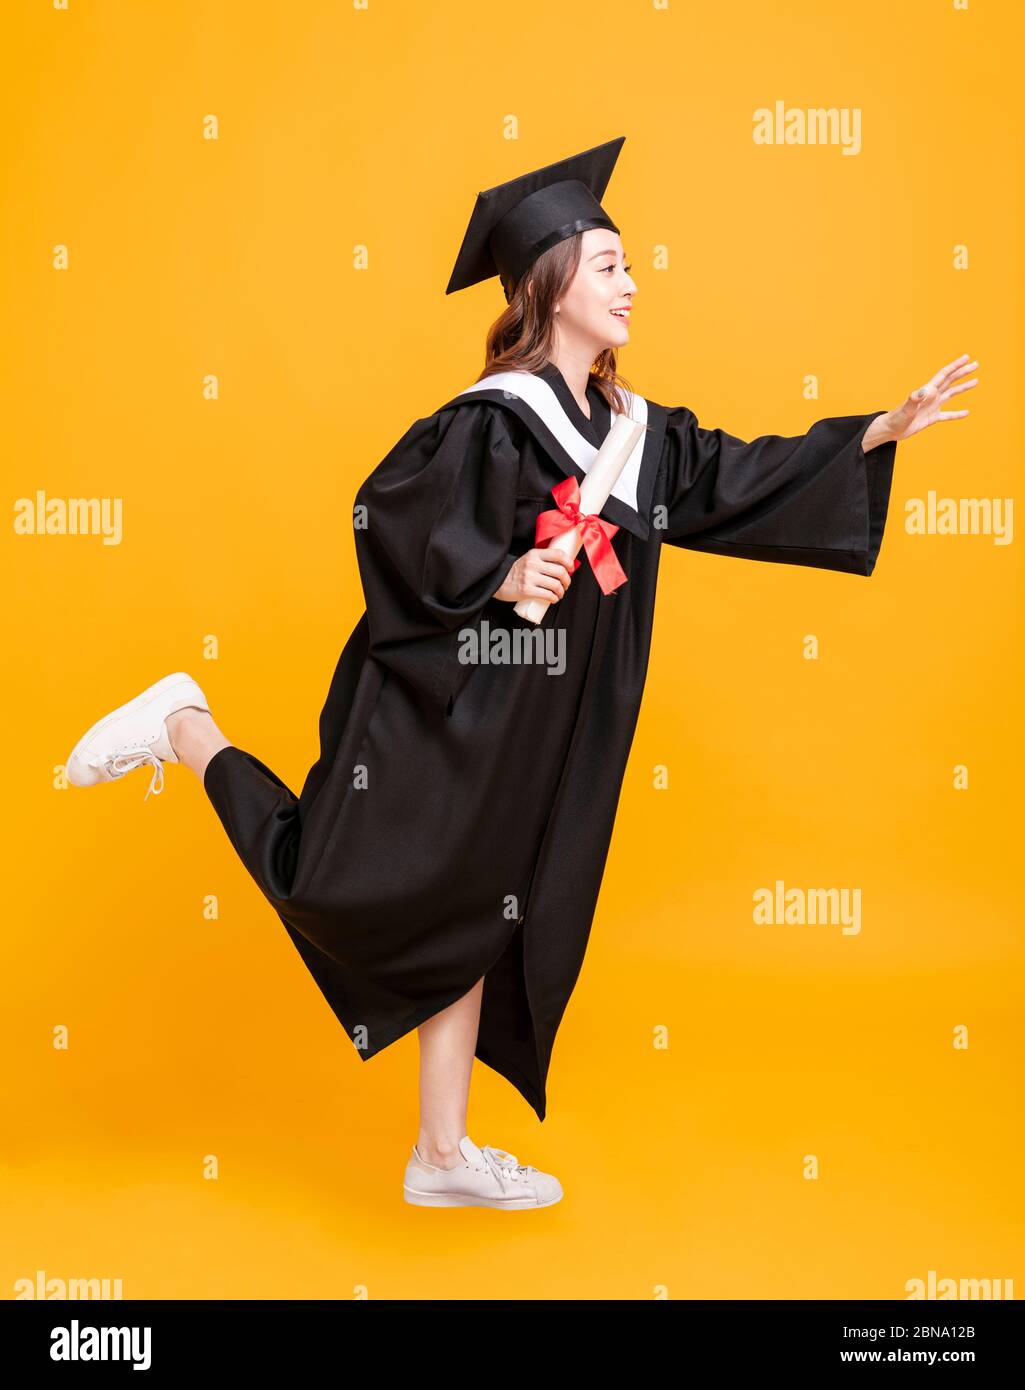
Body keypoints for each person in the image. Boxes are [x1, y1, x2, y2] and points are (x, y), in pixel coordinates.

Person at [64, 137, 978, 1211]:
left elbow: (732, 476)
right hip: (446, 702)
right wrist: (502, 576)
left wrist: (873, 431)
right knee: (330, 881)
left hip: (536, 721)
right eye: (606, 263)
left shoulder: (631, 430)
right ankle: (182, 719)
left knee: (474, 913)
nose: (630, 282)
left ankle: (439, 1156)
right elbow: (394, 520)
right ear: (544, 285)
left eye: (629, 264)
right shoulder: (490, 421)